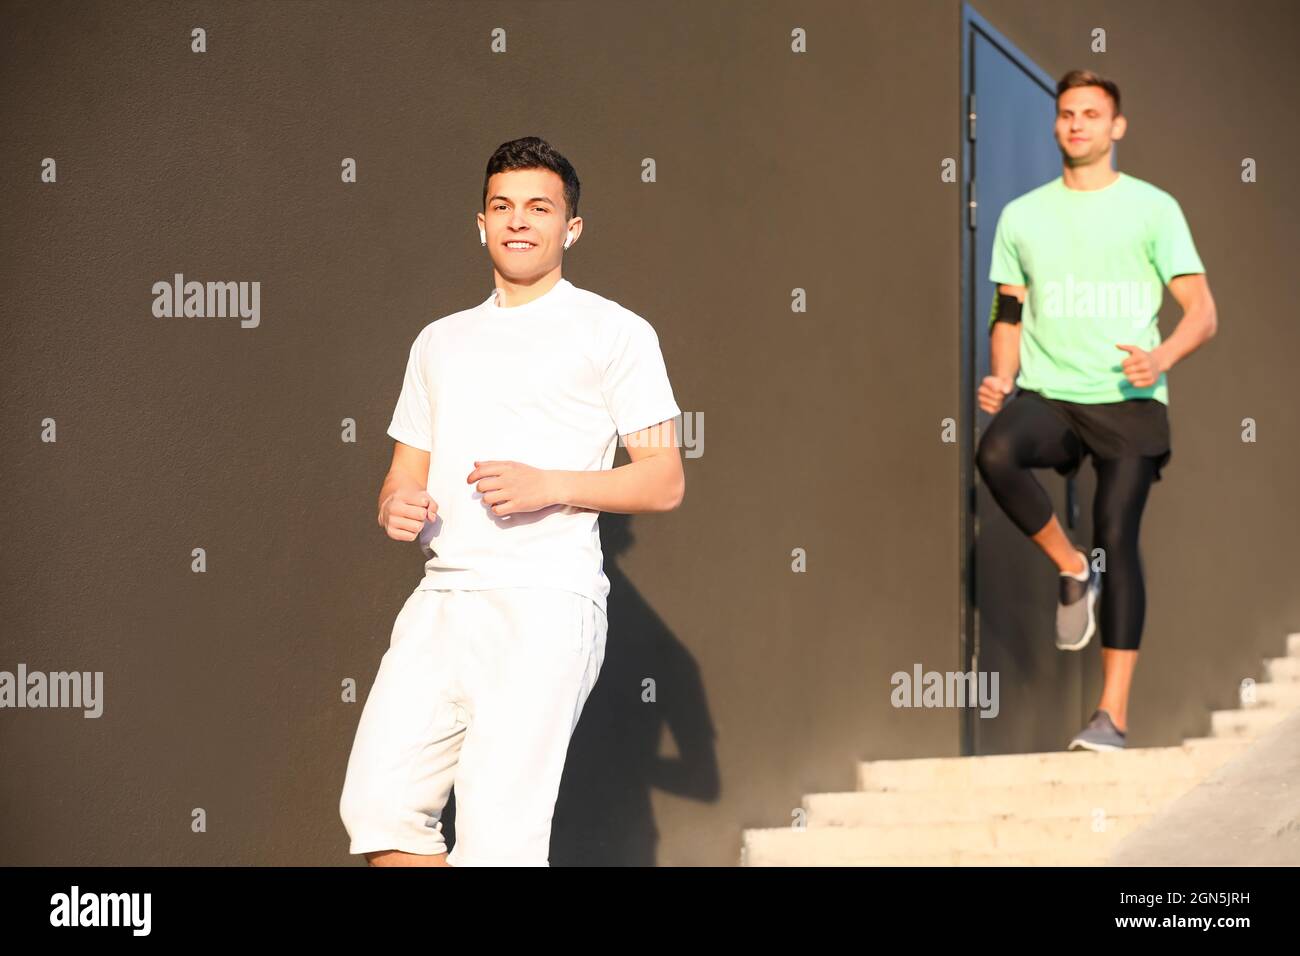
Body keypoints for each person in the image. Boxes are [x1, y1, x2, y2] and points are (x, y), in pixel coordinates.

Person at [339, 137, 685, 864]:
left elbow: (663, 479)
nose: (519, 221)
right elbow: (405, 473)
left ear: (571, 228)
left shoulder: (615, 331)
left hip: (545, 601)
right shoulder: (438, 341)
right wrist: (397, 503)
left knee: (498, 841)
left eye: (539, 207)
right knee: (378, 810)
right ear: (482, 222)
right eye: (503, 207)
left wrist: (551, 483)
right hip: (441, 601)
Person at [975, 70, 1217, 752]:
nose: (1076, 123)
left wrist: (1161, 359)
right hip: (1051, 393)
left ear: (1117, 128)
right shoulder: (1022, 216)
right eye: (1066, 113)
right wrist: (1001, 374)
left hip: (1129, 400)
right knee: (996, 452)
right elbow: (1008, 308)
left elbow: (1203, 312)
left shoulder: (1153, 209)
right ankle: (1070, 567)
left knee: (1117, 532)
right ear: (1056, 125)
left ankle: (1110, 715)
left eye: (1091, 113)